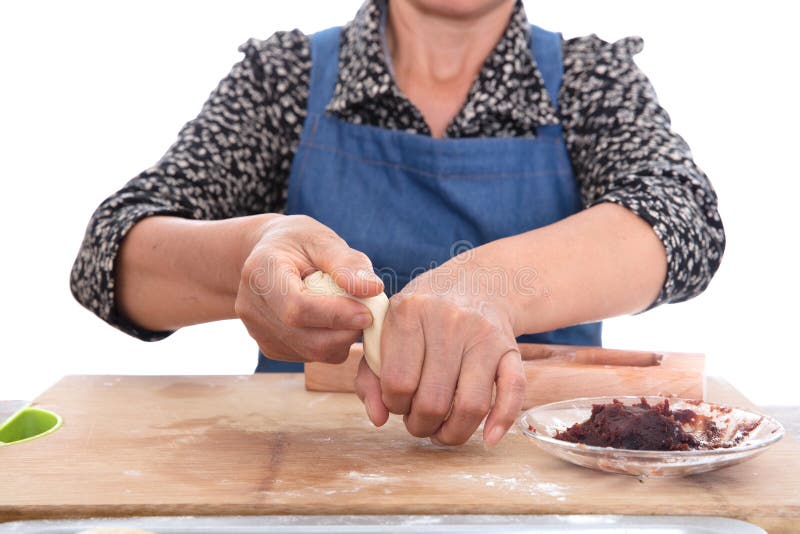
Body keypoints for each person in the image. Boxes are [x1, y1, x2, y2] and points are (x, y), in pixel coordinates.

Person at [71, 0, 725, 447]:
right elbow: (110, 259)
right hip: (305, 478)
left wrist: (488, 285)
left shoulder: (587, 79)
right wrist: (249, 250)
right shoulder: (288, 80)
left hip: (534, 476)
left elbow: (682, 219)